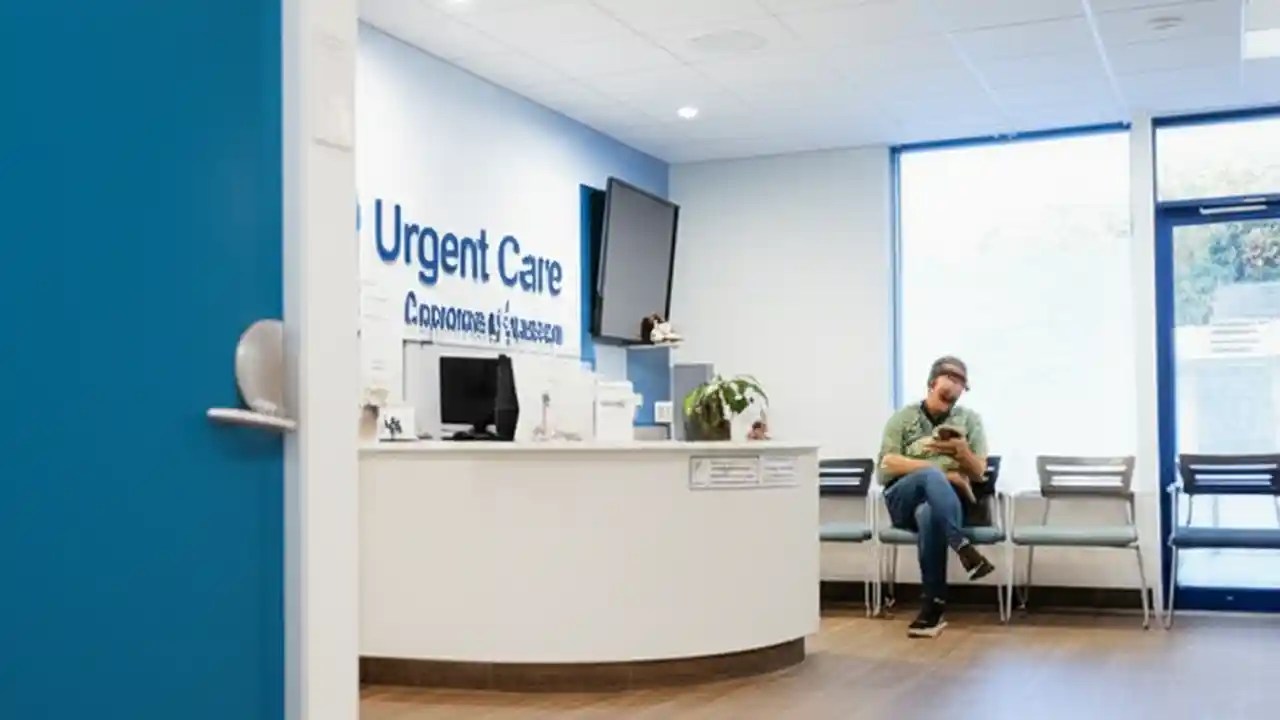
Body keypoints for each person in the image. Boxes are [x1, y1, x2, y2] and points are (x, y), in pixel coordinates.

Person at [877, 356, 994, 638]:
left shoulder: (970, 421)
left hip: (947, 504)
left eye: (962, 384)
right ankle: (962, 545)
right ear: (932, 382)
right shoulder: (902, 418)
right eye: (952, 379)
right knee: (930, 477)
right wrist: (938, 471)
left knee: (929, 514)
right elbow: (885, 467)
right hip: (903, 497)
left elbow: (979, 473)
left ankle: (933, 607)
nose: (957, 386)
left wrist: (962, 451)